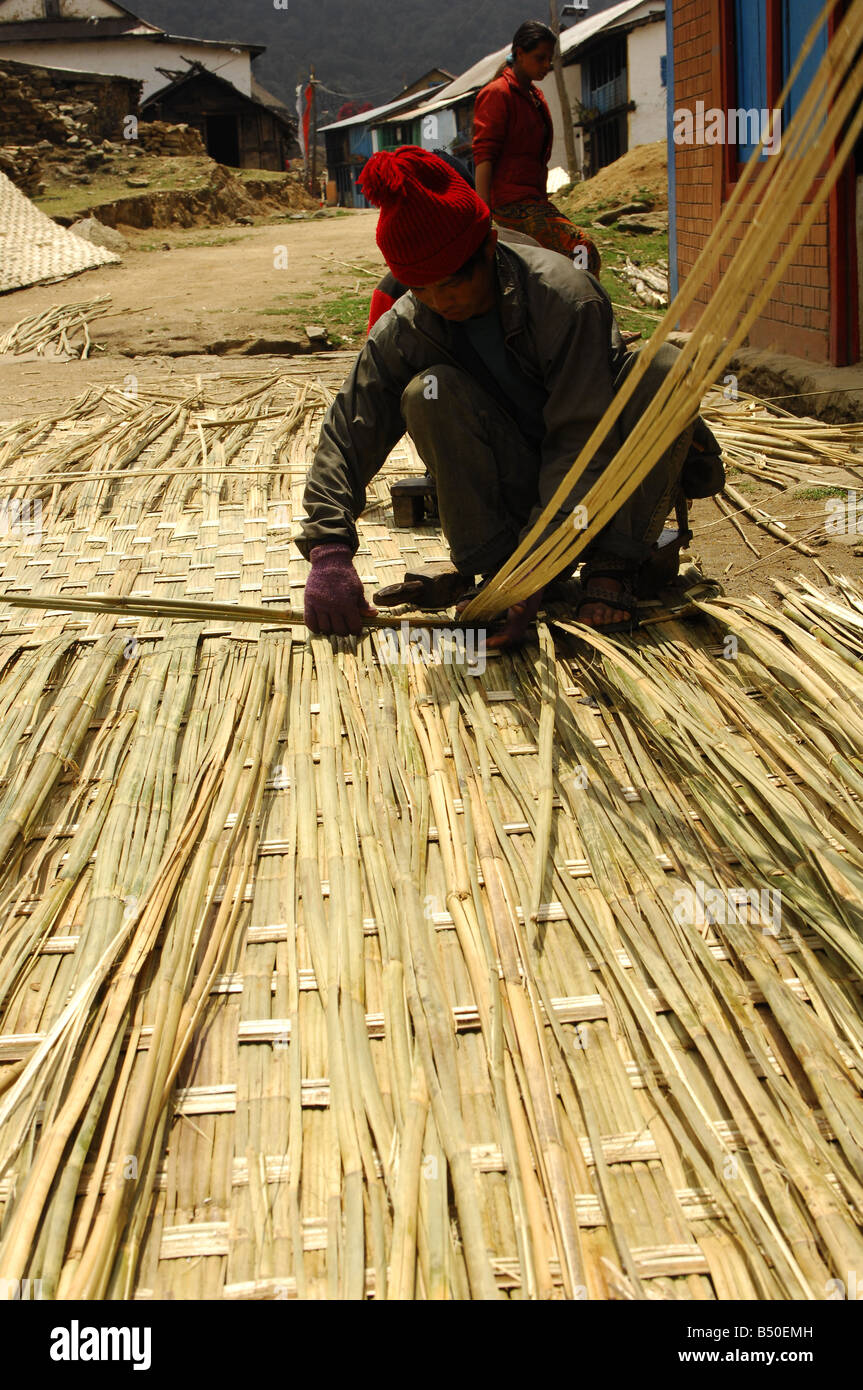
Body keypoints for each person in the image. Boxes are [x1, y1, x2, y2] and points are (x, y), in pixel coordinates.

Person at [298, 147, 720, 644]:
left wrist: (536, 568)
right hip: (515, 490)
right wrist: (329, 550)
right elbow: (349, 430)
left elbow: (580, 441)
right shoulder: (408, 325)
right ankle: (493, 569)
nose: (441, 301)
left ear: (488, 246)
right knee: (428, 393)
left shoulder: (565, 298)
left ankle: (613, 565)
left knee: (665, 367)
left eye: (454, 281)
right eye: (422, 288)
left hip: (607, 484)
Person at [473, 20, 600, 276]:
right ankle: (585, 310)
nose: (546, 65)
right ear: (519, 53)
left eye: (549, 59)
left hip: (534, 200)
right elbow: (484, 157)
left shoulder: (535, 97)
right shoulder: (497, 94)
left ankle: (572, 307)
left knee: (563, 262)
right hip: (509, 205)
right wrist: (483, 217)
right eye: (539, 58)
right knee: (582, 248)